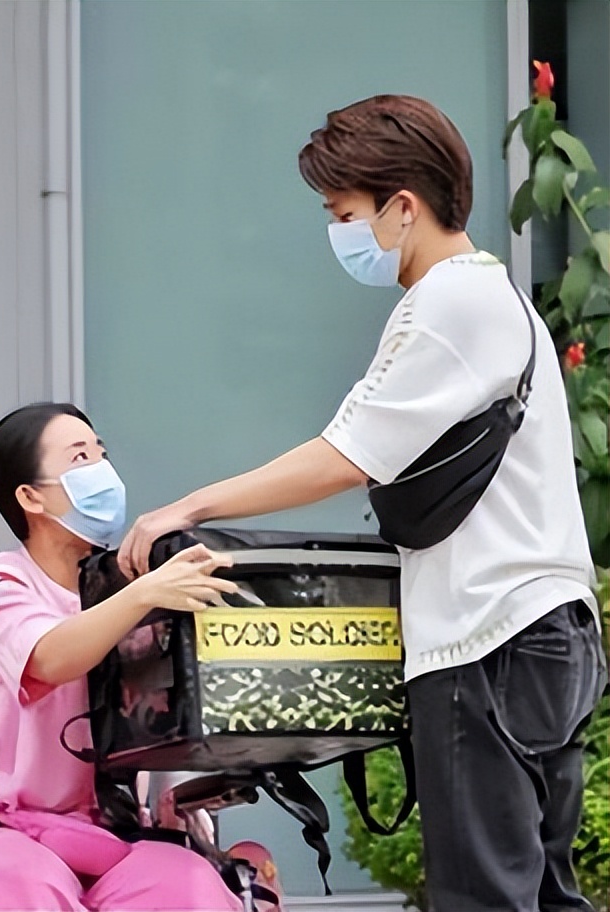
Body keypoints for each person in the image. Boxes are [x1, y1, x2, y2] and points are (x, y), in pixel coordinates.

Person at [117, 95, 606, 912]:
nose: (339, 233)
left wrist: (186, 507)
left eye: (344, 213)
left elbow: (345, 455)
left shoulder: (449, 302)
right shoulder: (496, 297)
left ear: (403, 207)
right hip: (543, 632)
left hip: (491, 637)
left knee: (482, 897)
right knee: (543, 895)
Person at [0, 402, 244, 912]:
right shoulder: (1, 583)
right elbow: (47, 658)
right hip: (13, 826)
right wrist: (143, 594)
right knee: (23, 893)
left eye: (101, 454)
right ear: (30, 497)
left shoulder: (132, 585)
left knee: (192, 890)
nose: (101, 471)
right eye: (79, 457)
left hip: (119, 827)